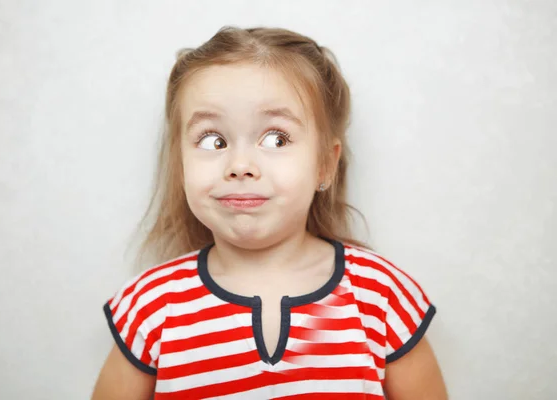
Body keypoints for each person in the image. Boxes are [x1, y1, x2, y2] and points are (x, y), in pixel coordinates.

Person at [92, 26, 447, 400]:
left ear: (325, 164)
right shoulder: (151, 306)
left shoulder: (382, 297)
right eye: (213, 140)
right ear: (180, 165)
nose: (240, 165)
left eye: (276, 138)